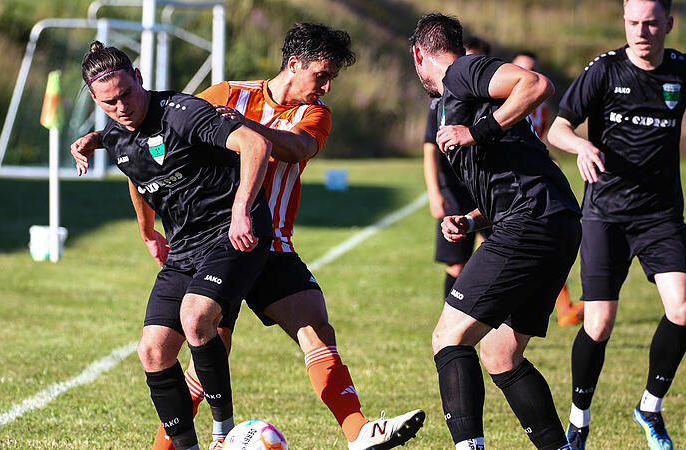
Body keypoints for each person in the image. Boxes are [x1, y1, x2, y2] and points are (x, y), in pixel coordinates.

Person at [73, 23, 424, 450]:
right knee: (203, 354)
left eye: (332, 78)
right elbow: (155, 143)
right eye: (322, 75)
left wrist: (248, 129)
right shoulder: (224, 94)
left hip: (268, 238)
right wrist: (105, 140)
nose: (327, 87)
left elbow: (296, 149)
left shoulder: (315, 114)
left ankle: (360, 432)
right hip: (215, 241)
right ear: (294, 65)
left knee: (313, 328)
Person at [73, 41, 273, 450]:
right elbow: (136, 172)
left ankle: (224, 433)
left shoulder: (184, 113)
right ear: (95, 100)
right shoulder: (115, 134)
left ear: (140, 78)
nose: (121, 106)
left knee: (196, 317)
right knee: (152, 351)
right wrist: (147, 232)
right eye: (108, 102)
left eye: (126, 93)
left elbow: (256, 145)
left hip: (231, 232)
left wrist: (240, 211)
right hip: (184, 248)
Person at [547, 0, 686, 448]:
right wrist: (581, 147)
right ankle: (579, 419)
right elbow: (558, 128)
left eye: (649, 23)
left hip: (661, 215)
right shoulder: (603, 71)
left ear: (668, 24)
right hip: (605, 215)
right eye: (632, 23)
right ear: (624, 23)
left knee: (681, 309)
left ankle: (650, 407)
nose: (640, 32)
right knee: (599, 324)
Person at [410, 13, 583, 449]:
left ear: (418, 55)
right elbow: (511, 177)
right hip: (551, 221)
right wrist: (470, 219)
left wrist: (476, 131)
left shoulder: (461, 70)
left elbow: (537, 85)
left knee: (448, 337)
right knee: (500, 353)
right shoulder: (457, 96)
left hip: (531, 221)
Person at [511, 50, 584, 327]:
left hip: (528, 183)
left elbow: (537, 141)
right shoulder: (497, 101)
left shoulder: (539, 106)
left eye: (534, 70)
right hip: (503, 184)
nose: (529, 75)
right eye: (522, 69)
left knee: (543, 242)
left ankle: (563, 307)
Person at [422, 98, 489, 299]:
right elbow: (430, 149)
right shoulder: (440, 102)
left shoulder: (487, 94)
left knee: (494, 256)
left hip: (485, 186)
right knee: (457, 261)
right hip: (454, 190)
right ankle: (449, 317)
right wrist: (434, 192)